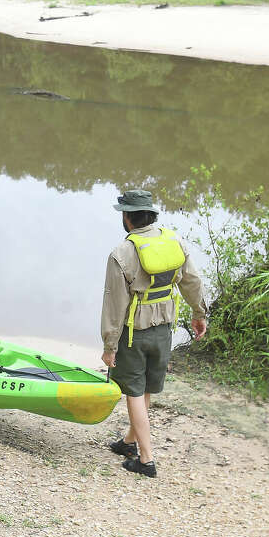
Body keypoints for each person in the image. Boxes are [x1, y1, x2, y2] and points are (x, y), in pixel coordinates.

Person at [100, 189, 207, 478]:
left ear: (127, 218)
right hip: (164, 329)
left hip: (134, 332)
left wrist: (110, 345)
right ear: (150, 215)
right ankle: (129, 442)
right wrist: (199, 314)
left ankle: (145, 459)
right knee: (145, 387)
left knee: (133, 392)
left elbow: (114, 305)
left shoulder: (121, 254)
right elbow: (192, 282)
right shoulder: (173, 241)